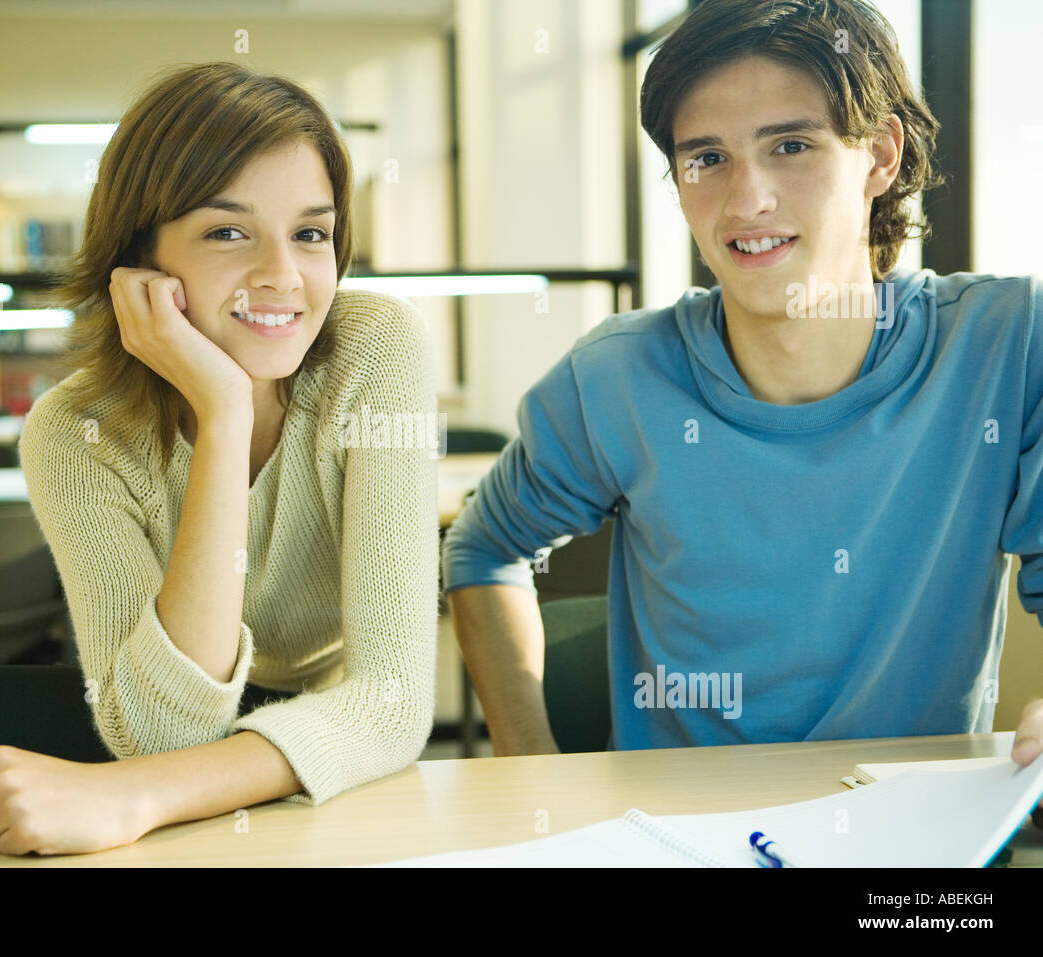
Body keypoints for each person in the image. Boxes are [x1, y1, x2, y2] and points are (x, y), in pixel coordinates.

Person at [443, 0, 1043, 775]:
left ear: (881, 156)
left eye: (790, 145)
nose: (745, 199)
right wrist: (528, 771)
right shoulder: (616, 379)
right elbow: (486, 545)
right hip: (676, 839)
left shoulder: (1005, 345)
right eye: (706, 158)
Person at [0, 62, 439, 855]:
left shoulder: (376, 348)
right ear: (139, 258)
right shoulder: (75, 433)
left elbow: (393, 701)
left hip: (340, 789)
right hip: (221, 793)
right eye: (226, 231)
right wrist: (225, 408)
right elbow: (165, 732)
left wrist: (130, 796)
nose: (282, 274)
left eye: (311, 233)